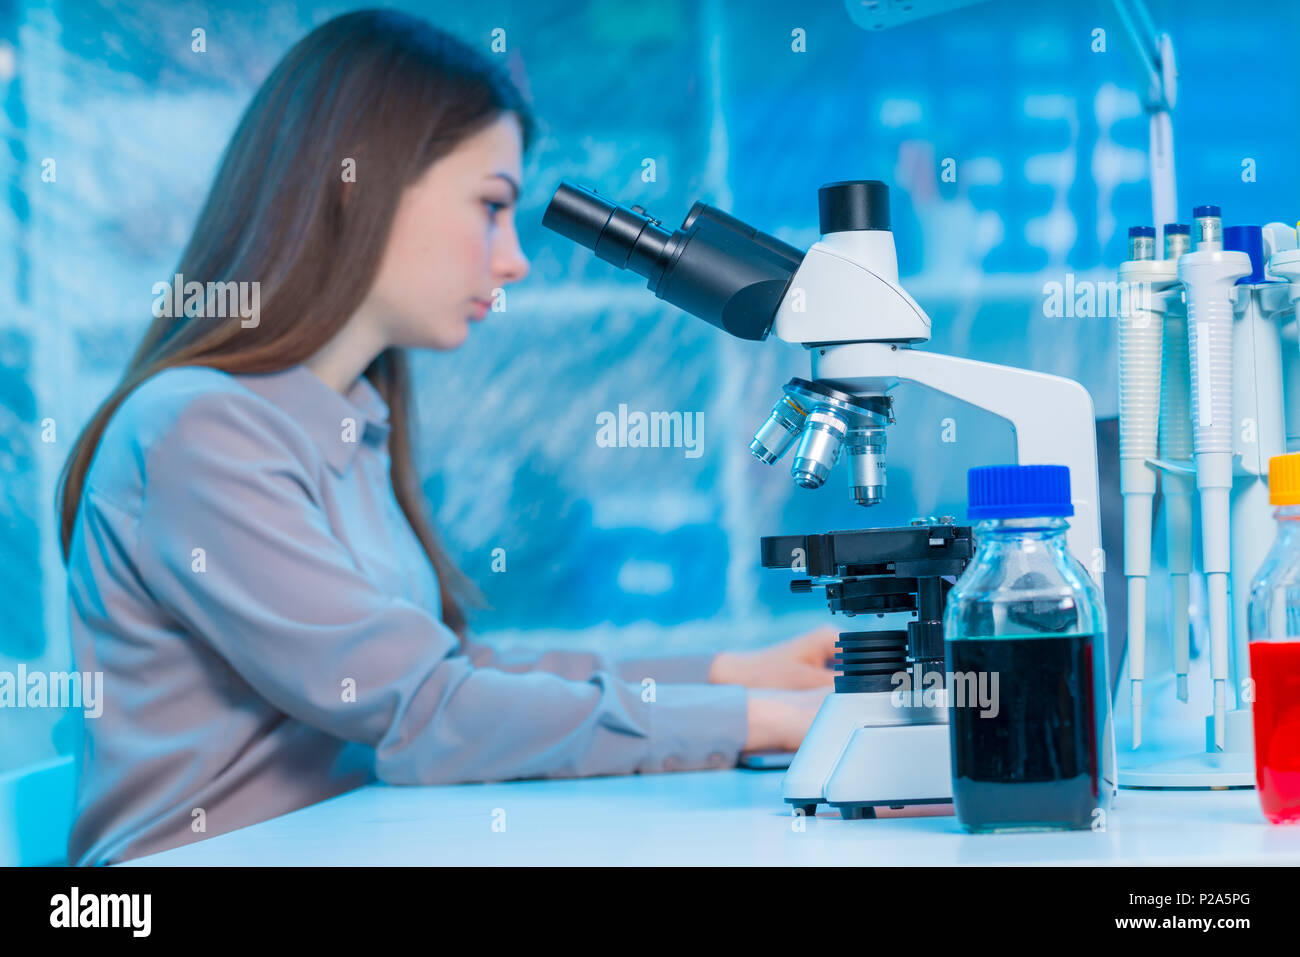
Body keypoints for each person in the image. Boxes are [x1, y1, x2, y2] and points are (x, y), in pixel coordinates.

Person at [57, 8, 832, 867]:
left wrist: (733, 673)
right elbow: (427, 713)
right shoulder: (197, 431)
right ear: (362, 184)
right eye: (490, 207)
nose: (514, 261)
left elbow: (456, 673)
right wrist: (763, 721)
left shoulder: (349, 419)